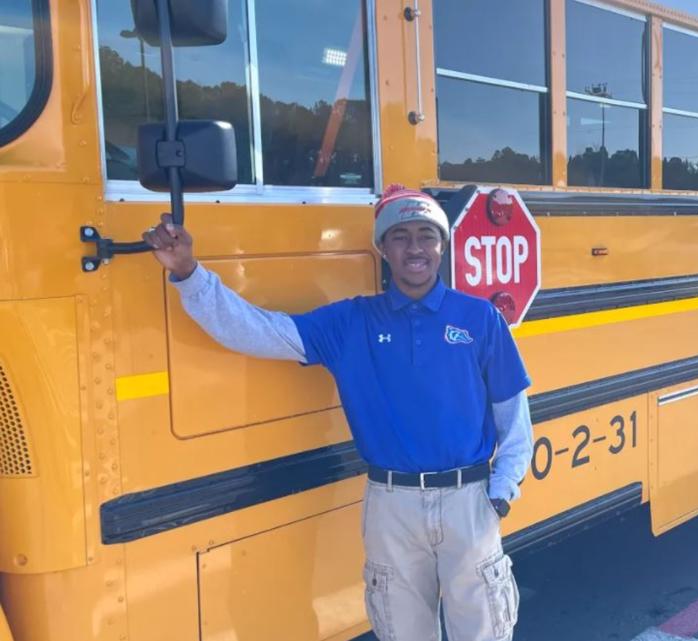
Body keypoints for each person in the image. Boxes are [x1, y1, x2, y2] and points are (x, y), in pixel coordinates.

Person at [143, 185, 533, 641]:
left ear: (442, 246)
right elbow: (259, 331)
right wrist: (190, 274)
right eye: (401, 236)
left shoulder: (479, 318)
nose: (415, 248)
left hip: (469, 499)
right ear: (382, 248)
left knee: (484, 631)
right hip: (392, 504)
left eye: (426, 235)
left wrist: (501, 492)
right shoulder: (351, 323)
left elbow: (514, 418)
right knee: (402, 631)